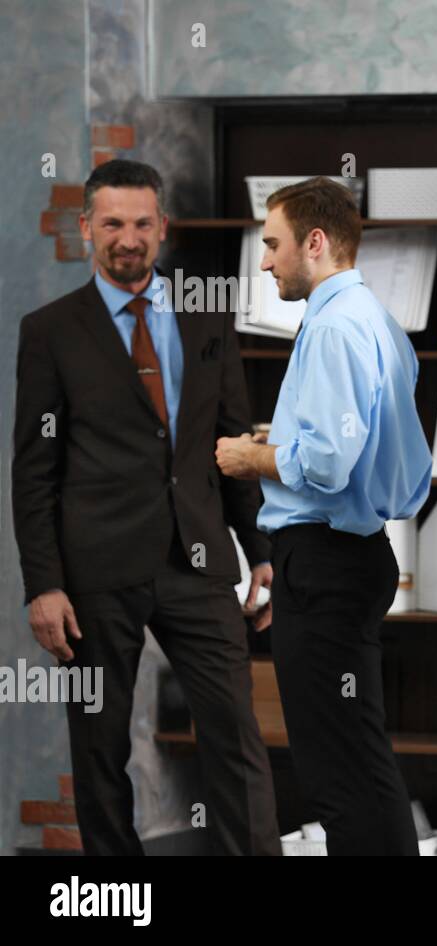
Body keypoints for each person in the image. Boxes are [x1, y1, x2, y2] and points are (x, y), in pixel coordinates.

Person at [12, 159, 279, 855]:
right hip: (95, 572)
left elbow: (232, 444)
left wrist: (264, 553)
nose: (126, 239)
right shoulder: (50, 331)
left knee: (235, 735)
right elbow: (33, 470)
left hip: (198, 560)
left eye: (140, 223)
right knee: (101, 749)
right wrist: (44, 585)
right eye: (111, 224)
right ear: (84, 229)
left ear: (160, 228)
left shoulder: (204, 313)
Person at [215, 176, 432, 855]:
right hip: (347, 556)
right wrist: (276, 445)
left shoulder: (335, 327)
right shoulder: (372, 317)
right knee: (354, 758)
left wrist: (251, 461)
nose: (265, 261)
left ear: (316, 242)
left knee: (339, 770)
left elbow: (330, 463)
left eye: (273, 244)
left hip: (329, 561)